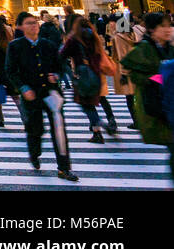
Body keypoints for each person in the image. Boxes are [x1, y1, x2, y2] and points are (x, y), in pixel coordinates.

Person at [5, 11, 76, 182]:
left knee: (59, 130)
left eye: (35, 22)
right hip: (31, 95)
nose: (33, 25)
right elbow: (11, 71)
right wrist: (23, 88)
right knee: (35, 128)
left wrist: (57, 75)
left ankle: (64, 168)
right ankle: (35, 154)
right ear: (20, 27)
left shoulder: (48, 44)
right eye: (29, 23)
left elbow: (60, 65)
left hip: (51, 93)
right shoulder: (15, 46)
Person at [120, 11, 174, 180]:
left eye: (169, 25)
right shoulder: (144, 48)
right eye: (162, 26)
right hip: (158, 106)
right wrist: (159, 77)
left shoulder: (168, 47)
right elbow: (134, 74)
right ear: (151, 30)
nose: (167, 29)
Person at [59, 17, 118, 142]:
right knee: (95, 101)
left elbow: (62, 56)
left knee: (86, 105)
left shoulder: (74, 39)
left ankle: (99, 126)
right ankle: (99, 130)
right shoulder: (94, 38)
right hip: (97, 75)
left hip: (83, 76)